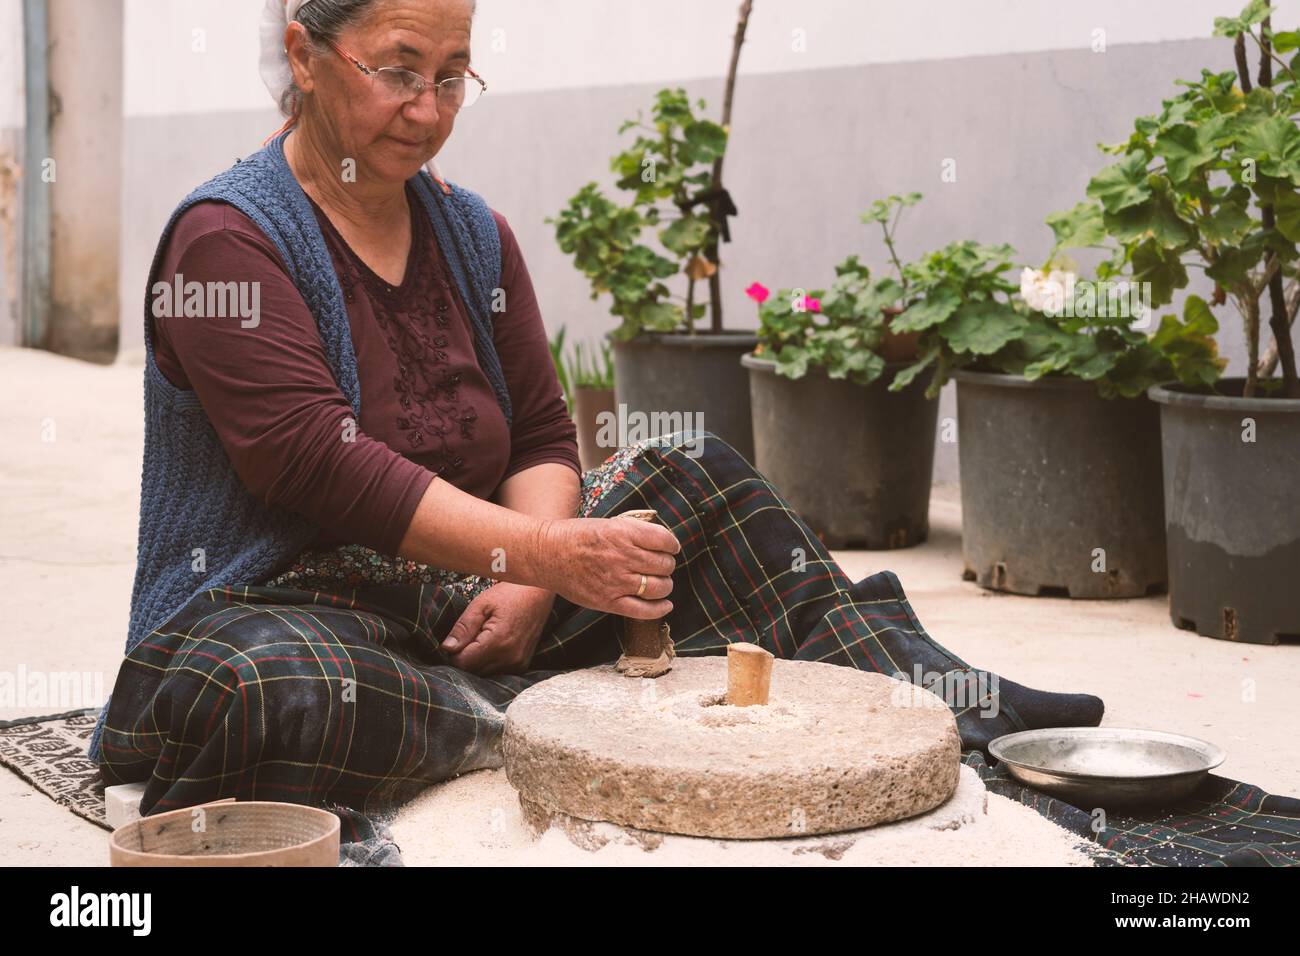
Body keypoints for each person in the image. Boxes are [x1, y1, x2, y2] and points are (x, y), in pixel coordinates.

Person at [90, 0, 1103, 823]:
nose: (429, 108)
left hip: (465, 599)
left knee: (693, 475)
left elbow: (538, 435)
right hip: (271, 610)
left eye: (453, 75)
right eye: (399, 70)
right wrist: (534, 554)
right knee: (283, 691)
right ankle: (523, 716)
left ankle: (929, 689)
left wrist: (539, 572)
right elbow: (315, 461)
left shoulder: (472, 235)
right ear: (305, 54)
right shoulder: (228, 238)